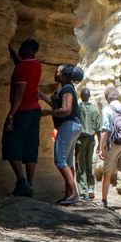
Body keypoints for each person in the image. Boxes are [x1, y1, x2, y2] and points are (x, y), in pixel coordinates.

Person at [2, 39, 41, 197]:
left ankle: (21, 182)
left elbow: (20, 92)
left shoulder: (23, 68)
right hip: (34, 111)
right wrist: (13, 55)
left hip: (22, 111)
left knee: (11, 144)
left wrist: (11, 114)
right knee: (31, 146)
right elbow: (23, 67)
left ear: (24, 49)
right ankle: (30, 184)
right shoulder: (36, 64)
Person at [42, 64, 84, 205]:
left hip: (68, 125)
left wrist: (48, 113)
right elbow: (59, 106)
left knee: (60, 161)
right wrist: (42, 97)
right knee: (68, 162)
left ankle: (73, 194)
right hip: (74, 125)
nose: (55, 72)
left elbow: (65, 110)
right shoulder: (67, 88)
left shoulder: (66, 88)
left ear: (64, 75)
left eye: (58, 71)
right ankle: (69, 194)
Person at [76, 87, 101, 201]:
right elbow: (99, 128)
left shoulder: (78, 108)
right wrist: (100, 144)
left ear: (81, 96)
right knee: (89, 164)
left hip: (80, 139)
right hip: (91, 139)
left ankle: (83, 192)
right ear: (89, 96)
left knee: (81, 166)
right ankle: (91, 188)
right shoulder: (95, 109)